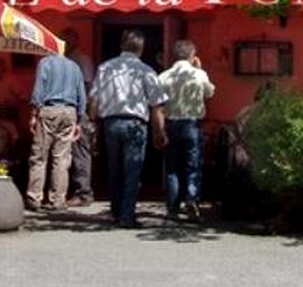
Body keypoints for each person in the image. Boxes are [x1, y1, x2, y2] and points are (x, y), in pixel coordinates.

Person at [89, 29, 167, 228]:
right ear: (142, 49)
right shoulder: (146, 71)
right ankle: (127, 215)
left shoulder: (105, 68)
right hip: (135, 123)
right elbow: (156, 104)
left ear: (121, 45)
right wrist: (160, 132)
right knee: (132, 170)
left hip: (110, 123)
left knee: (114, 169)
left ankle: (116, 211)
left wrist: (93, 125)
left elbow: (94, 99)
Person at [157, 38, 216, 220]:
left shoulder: (164, 76)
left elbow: (157, 103)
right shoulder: (198, 74)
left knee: (172, 167)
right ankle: (192, 198)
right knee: (193, 164)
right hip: (192, 123)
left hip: (171, 123)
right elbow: (210, 92)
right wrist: (199, 69)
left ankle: (173, 208)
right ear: (192, 55)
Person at [23, 48, 86, 211]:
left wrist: (33, 114)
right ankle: (58, 200)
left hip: (49, 110)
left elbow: (39, 90)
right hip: (70, 112)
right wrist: (79, 120)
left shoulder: (45, 63)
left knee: (39, 156)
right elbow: (82, 95)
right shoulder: (75, 67)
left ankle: (34, 198)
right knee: (62, 158)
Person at [61, 27, 96, 206]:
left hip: (78, 112)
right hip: (67, 110)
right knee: (67, 153)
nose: (64, 44)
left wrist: (88, 114)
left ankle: (83, 192)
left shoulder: (82, 60)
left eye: (67, 40)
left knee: (80, 152)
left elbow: (88, 88)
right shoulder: (64, 61)